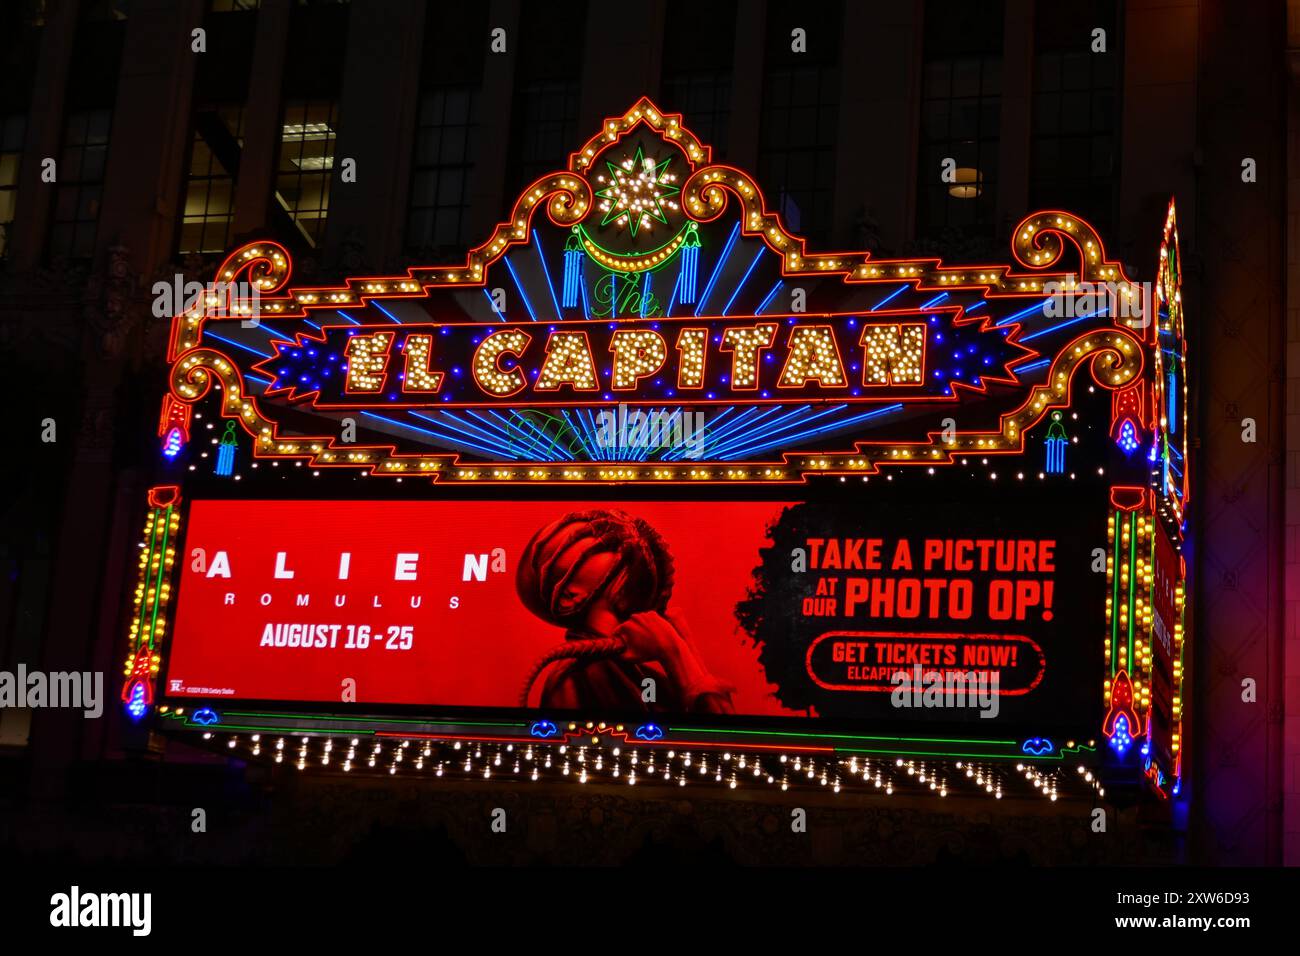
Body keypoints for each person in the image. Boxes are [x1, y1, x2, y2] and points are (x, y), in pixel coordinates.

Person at [516, 509, 734, 714]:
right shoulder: (573, 677)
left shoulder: (647, 679)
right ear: (569, 596)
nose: (614, 533)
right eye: (588, 541)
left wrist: (683, 649)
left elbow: (724, 741)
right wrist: (675, 651)